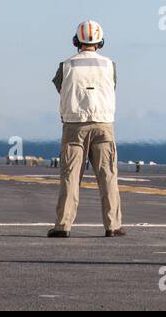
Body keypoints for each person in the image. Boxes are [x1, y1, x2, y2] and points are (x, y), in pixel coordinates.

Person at [48, 20, 124, 238]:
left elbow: (60, 87)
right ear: (101, 42)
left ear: (76, 41)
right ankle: (113, 226)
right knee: (108, 175)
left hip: (74, 125)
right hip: (103, 124)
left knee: (70, 177)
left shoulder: (66, 65)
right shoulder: (110, 65)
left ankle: (63, 226)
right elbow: (113, 86)